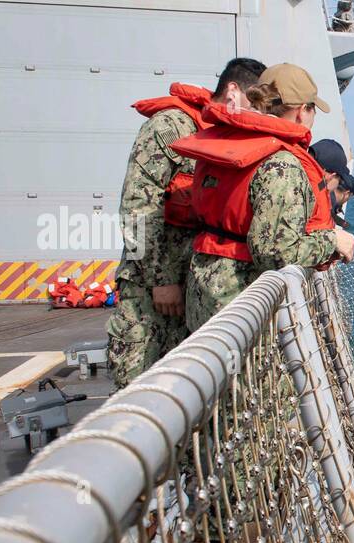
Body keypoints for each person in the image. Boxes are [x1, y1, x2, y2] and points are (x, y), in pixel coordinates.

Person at [106, 57, 265, 388]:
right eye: (255, 103)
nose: (257, 114)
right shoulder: (169, 127)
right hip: (152, 293)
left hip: (196, 291)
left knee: (188, 390)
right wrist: (161, 280)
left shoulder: (224, 139)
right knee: (139, 388)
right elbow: (137, 208)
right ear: (233, 91)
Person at [172, 63, 354, 331]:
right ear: (301, 111)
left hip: (203, 291)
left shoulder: (227, 143)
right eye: (312, 109)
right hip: (243, 303)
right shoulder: (282, 164)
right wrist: (332, 241)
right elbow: (273, 251)